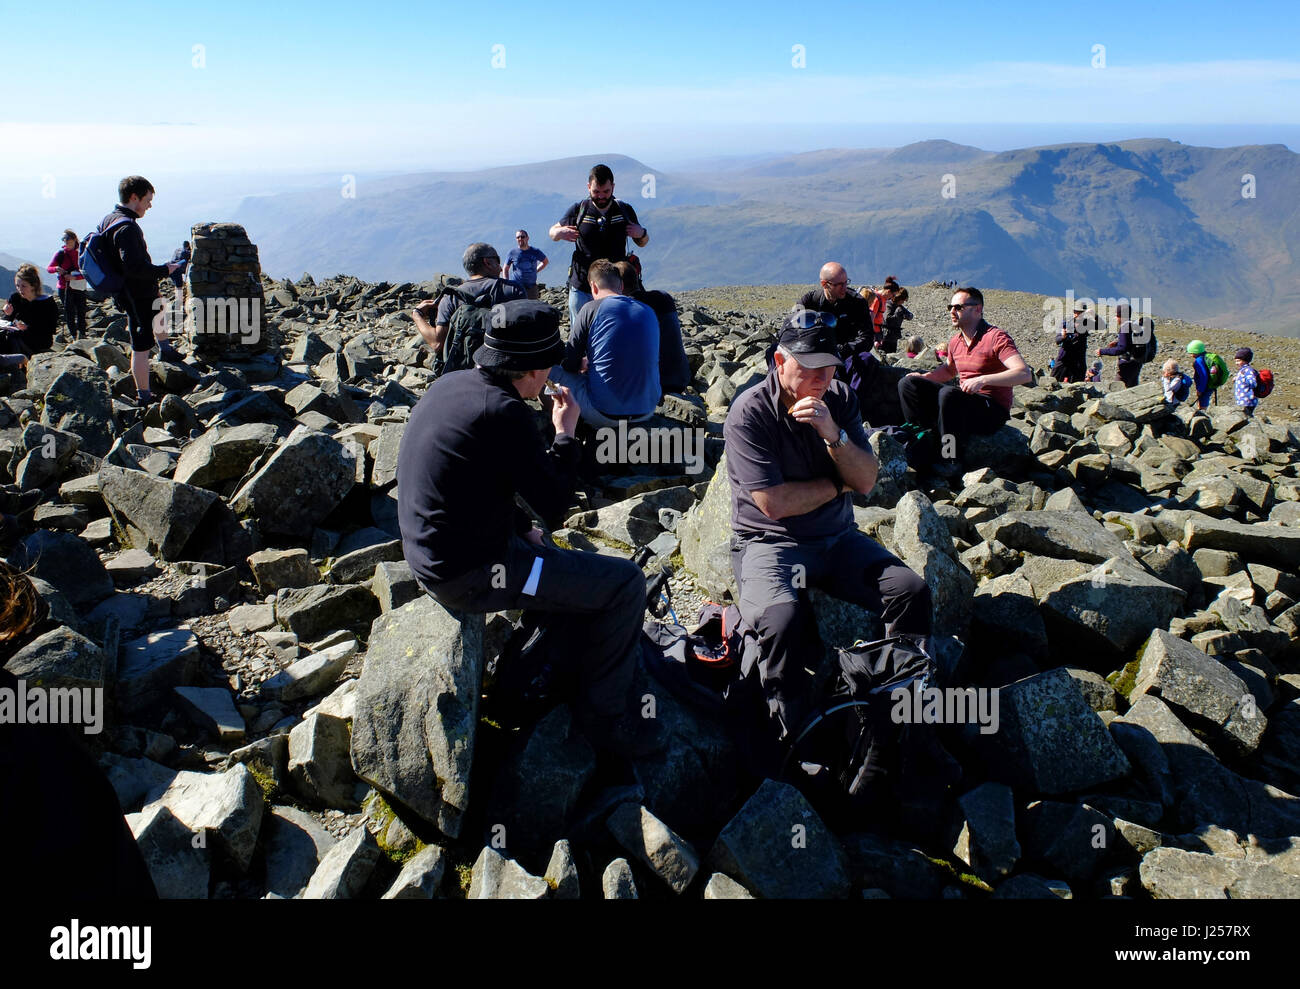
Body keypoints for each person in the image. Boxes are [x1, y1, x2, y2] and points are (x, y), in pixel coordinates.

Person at [396, 299, 646, 793]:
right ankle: (606, 718)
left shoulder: (455, 385)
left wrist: (516, 524)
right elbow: (555, 505)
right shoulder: (504, 412)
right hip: (468, 574)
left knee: (553, 559)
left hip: (429, 549)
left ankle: (556, 644)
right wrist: (565, 432)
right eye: (550, 363)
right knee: (626, 585)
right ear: (532, 370)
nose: (553, 371)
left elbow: (472, 478)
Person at [725, 310, 931, 742]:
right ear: (779, 362)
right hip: (770, 543)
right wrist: (838, 487)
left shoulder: (839, 398)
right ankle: (791, 731)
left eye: (829, 365)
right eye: (810, 365)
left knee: (909, 590)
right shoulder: (750, 413)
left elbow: (868, 480)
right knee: (781, 620)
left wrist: (832, 433)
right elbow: (774, 504)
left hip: (837, 541)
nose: (823, 375)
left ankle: (898, 702)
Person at [897, 287, 1032, 466]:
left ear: (977, 309)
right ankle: (920, 436)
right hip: (966, 402)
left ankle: (950, 457)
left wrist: (983, 380)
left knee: (948, 395)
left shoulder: (996, 337)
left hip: (992, 409)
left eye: (958, 307)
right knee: (908, 383)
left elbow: (1024, 373)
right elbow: (949, 370)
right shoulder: (955, 341)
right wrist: (926, 377)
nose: (952, 311)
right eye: (950, 307)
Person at [94, 176, 185, 407]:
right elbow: (134, 267)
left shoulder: (109, 219)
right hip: (135, 294)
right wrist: (165, 269)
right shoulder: (126, 228)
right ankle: (144, 396)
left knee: (160, 308)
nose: (149, 206)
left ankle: (165, 349)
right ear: (134, 197)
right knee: (141, 346)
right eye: (147, 200)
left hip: (134, 291)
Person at [551, 260, 660, 427]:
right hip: (646, 410)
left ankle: (561, 427)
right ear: (621, 286)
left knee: (548, 372)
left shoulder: (590, 309)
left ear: (593, 287)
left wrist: (581, 362)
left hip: (604, 413)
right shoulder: (649, 311)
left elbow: (569, 364)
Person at [549, 163, 648, 325]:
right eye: (596, 192)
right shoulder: (579, 209)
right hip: (582, 286)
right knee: (581, 331)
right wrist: (559, 233)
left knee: (611, 330)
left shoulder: (623, 210)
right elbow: (552, 232)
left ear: (613, 188)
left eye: (606, 192)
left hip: (615, 287)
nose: (601, 196)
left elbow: (643, 242)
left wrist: (641, 233)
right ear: (588, 187)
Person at [411, 243, 525, 368]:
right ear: (487, 262)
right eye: (497, 260)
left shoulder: (450, 297)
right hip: (505, 371)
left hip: (464, 374)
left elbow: (437, 343)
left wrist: (417, 314)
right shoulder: (512, 290)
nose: (500, 268)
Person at [614, 260, 690, 395]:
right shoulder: (664, 297)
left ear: (620, 284)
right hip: (680, 377)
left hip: (655, 383)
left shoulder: (627, 308)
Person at [798, 262, 873, 354]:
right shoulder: (809, 301)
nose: (844, 288)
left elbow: (867, 338)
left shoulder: (857, 302)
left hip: (846, 355)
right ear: (824, 284)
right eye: (839, 284)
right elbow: (792, 328)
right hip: (814, 355)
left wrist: (841, 350)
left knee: (866, 359)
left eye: (846, 282)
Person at [1, 264, 58, 370]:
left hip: (38, 340)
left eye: (23, 286)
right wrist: (7, 314)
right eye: (17, 286)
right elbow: (7, 321)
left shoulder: (46, 303)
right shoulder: (16, 298)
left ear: (33, 286)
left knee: (10, 339)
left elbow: (50, 329)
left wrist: (28, 328)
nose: (19, 289)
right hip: (17, 333)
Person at [47, 229, 87, 339]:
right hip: (64, 287)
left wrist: (74, 277)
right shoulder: (60, 254)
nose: (65, 241)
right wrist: (56, 268)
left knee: (81, 311)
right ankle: (75, 335)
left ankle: (82, 334)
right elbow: (49, 268)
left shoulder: (81, 254)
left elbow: (88, 271)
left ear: (74, 239)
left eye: (67, 238)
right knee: (69, 312)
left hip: (78, 286)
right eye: (63, 239)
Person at [1097, 301, 1143, 388]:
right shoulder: (1134, 325)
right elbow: (1131, 343)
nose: (1116, 318)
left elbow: (1122, 349)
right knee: (1132, 387)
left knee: (1119, 388)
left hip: (1126, 364)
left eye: (1117, 315)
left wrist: (1102, 351)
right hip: (1136, 362)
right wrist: (1118, 342)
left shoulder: (1125, 327)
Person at [503, 230, 548, 300]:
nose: (520, 239)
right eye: (518, 237)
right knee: (518, 308)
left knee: (533, 308)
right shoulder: (512, 253)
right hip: (516, 287)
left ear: (527, 238)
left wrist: (536, 270)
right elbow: (505, 268)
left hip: (531, 287)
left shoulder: (535, 251)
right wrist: (506, 282)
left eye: (522, 237)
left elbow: (545, 262)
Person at [1053, 301, 1091, 383]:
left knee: (1078, 384)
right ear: (1074, 312)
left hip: (1078, 360)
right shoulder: (1066, 323)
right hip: (1065, 358)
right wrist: (1063, 337)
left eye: (1082, 313)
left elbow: (1103, 325)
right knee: (1054, 380)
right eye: (1077, 312)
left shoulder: (1087, 323)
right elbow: (1057, 340)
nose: (1079, 314)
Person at [1186, 340, 1221, 410]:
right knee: (1204, 398)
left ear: (1196, 352)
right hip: (1210, 383)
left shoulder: (1199, 361)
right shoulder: (1206, 356)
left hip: (1205, 386)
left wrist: (1200, 390)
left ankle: (1203, 413)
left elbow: (1203, 376)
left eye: (1192, 353)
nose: (1191, 355)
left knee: (1203, 400)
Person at [879, 286, 913, 354]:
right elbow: (887, 319)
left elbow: (911, 315)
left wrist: (905, 315)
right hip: (886, 336)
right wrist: (897, 314)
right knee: (884, 353)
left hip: (894, 337)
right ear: (899, 298)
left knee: (892, 354)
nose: (903, 302)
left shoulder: (900, 307)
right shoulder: (888, 304)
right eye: (903, 300)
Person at [1232, 347, 1260, 416]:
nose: (1236, 363)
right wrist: (1237, 378)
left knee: (1246, 416)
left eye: (1238, 361)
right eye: (1236, 361)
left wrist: (1244, 381)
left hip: (1247, 400)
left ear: (1245, 360)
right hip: (1244, 400)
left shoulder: (1248, 370)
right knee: (1245, 416)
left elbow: (1253, 383)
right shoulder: (1243, 370)